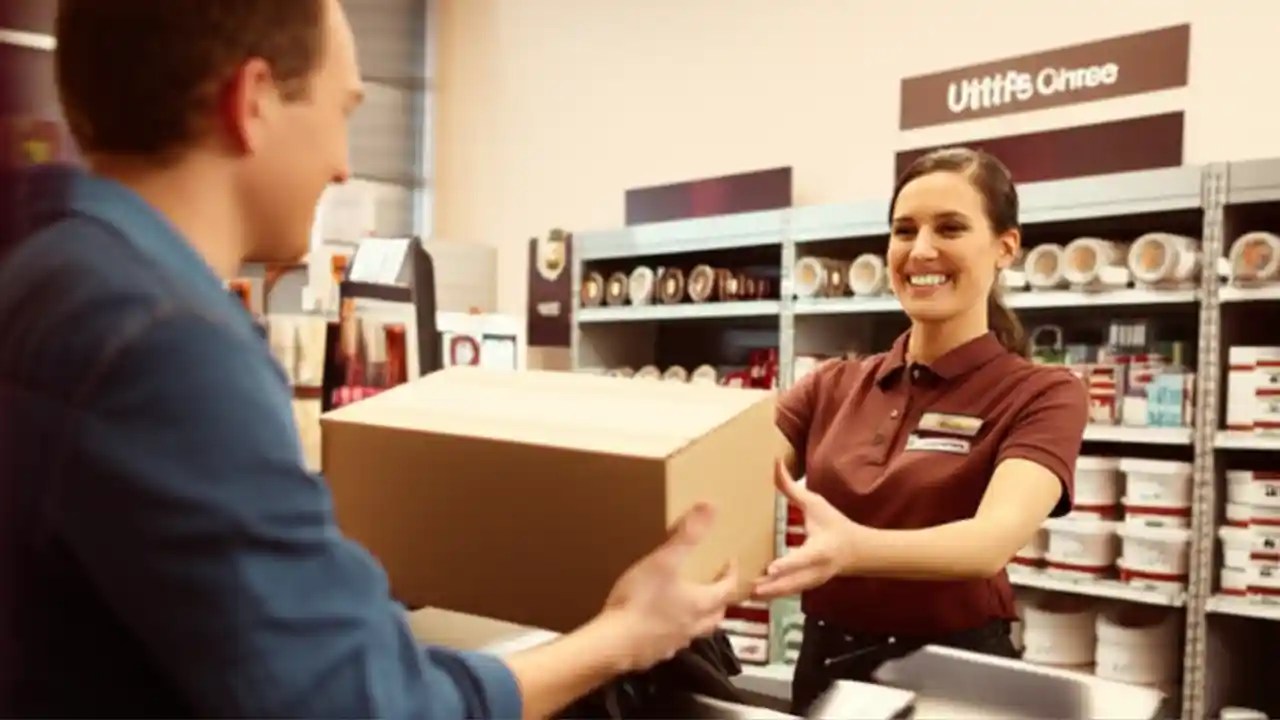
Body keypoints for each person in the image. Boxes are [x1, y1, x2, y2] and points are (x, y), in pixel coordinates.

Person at [0, 1, 740, 717]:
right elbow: (368, 706)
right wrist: (620, 638)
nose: (345, 167)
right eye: (344, 111)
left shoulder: (42, 274)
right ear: (253, 101)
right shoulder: (170, 345)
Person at [752, 147, 1089, 714]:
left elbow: (990, 541)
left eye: (950, 228)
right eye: (904, 230)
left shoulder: (1043, 393)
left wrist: (855, 549)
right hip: (825, 664)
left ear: (1006, 246)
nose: (922, 250)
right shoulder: (832, 384)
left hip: (954, 679)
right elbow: (720, 474)